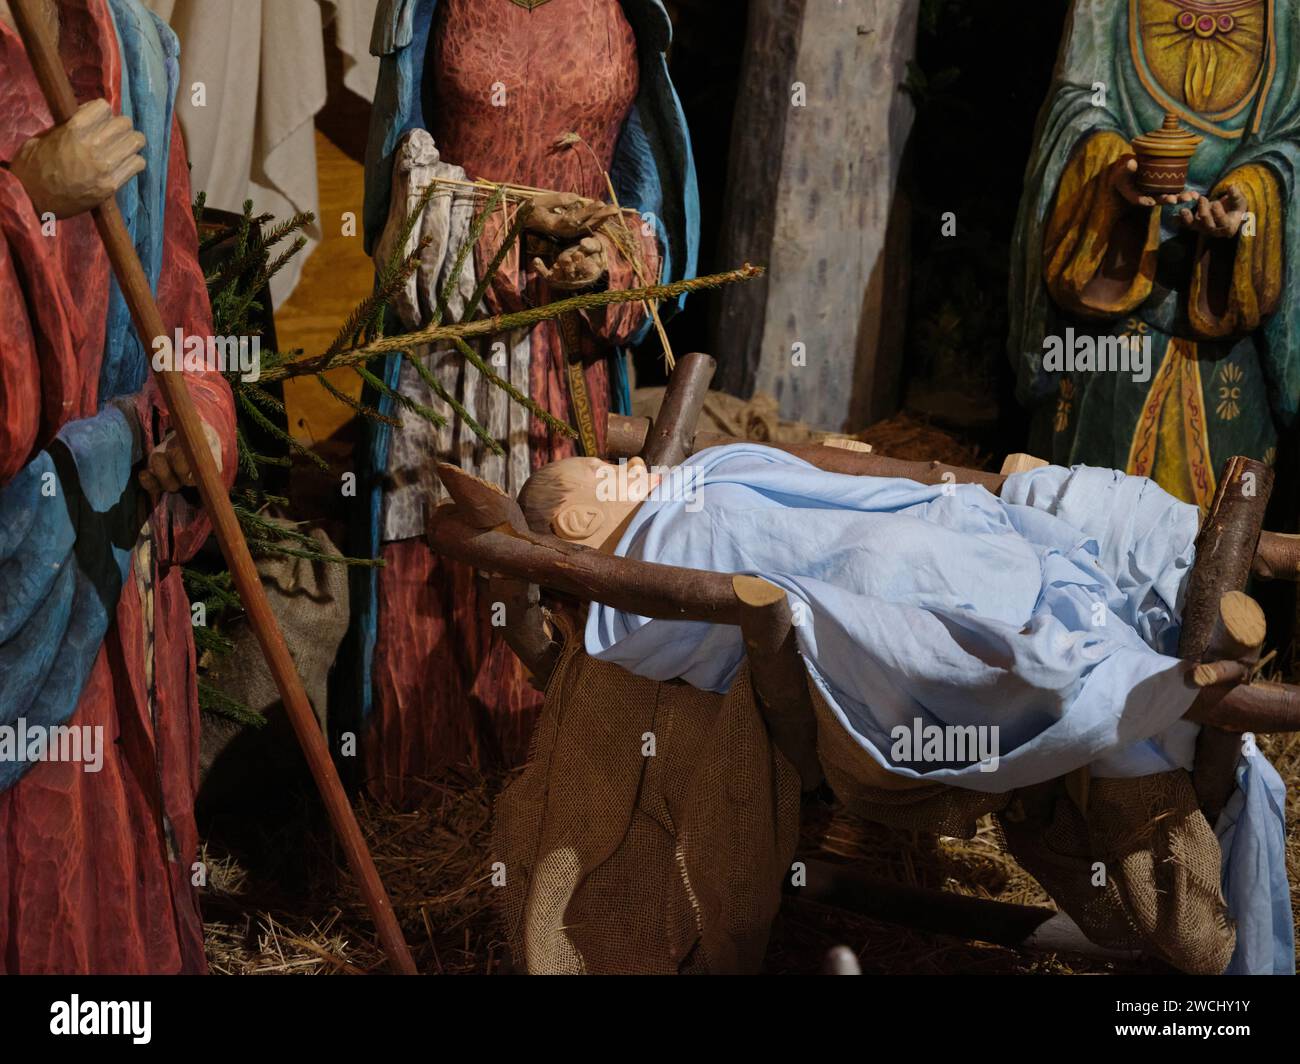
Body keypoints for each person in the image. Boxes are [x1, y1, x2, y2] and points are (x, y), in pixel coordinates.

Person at [518, 442, 1292, 974]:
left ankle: (1094, 656)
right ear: (578, 523)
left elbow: (836, 500)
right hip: (863, 575)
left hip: (895, 545)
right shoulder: (654, 576)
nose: (627, 463)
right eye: (604, 472)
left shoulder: (702, 479)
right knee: (898, 592)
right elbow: (767, 560)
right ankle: (1108, 681)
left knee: (919, 553)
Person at [353, 0, 699, 800]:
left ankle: (558, 809)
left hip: (566, 363)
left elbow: (653, 195)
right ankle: (419, 802)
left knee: (565, 556)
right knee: (437, 563)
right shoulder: (429, 7)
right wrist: (502, 221)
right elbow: (399, 172)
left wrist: (612, 261)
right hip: (448, 348)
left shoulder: (628, 10)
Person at [0, 0, 234, 973]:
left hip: (106, 577)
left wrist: (200, 427)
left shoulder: (138, 51)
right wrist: (24, 193)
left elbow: (178, 313)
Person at [1009, 0, 1298, 510]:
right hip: (1110, 309)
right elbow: (1076, 110)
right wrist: (1111, 172)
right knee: (1084, 522)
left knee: (1219, 547)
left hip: (1226, 315)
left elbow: (1292, 140)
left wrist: (1250, 197)